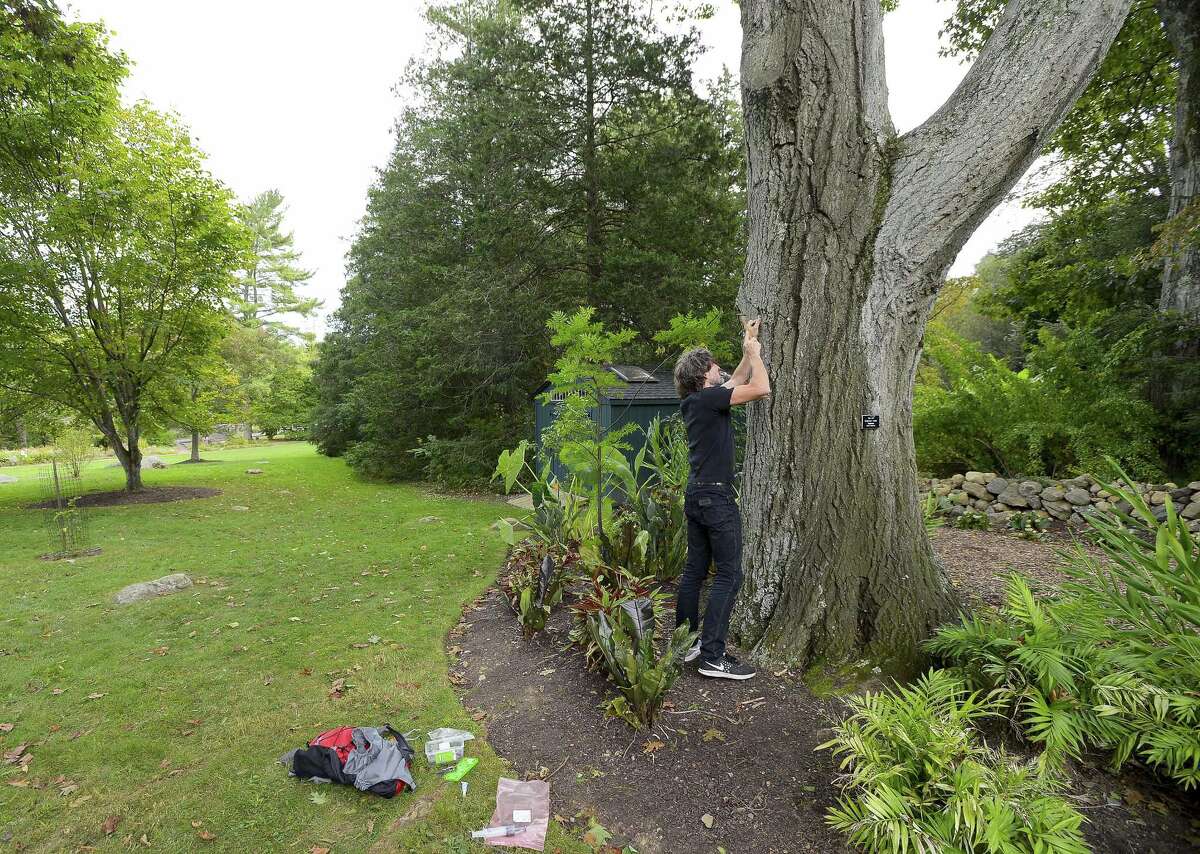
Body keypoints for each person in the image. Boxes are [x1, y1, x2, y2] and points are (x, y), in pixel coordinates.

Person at [672, 324, 770, 680]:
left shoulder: (695, 401)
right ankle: (713, 656)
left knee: (695, 571)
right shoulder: (710, 399)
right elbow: (760, 388)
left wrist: (748, 347)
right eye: (714, 366)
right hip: (716, 498)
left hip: (696, 494)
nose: (720, 369)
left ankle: (684, 643)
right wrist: (757, 357)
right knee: (729, 573)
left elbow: (736, 380)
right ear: (702, 374)